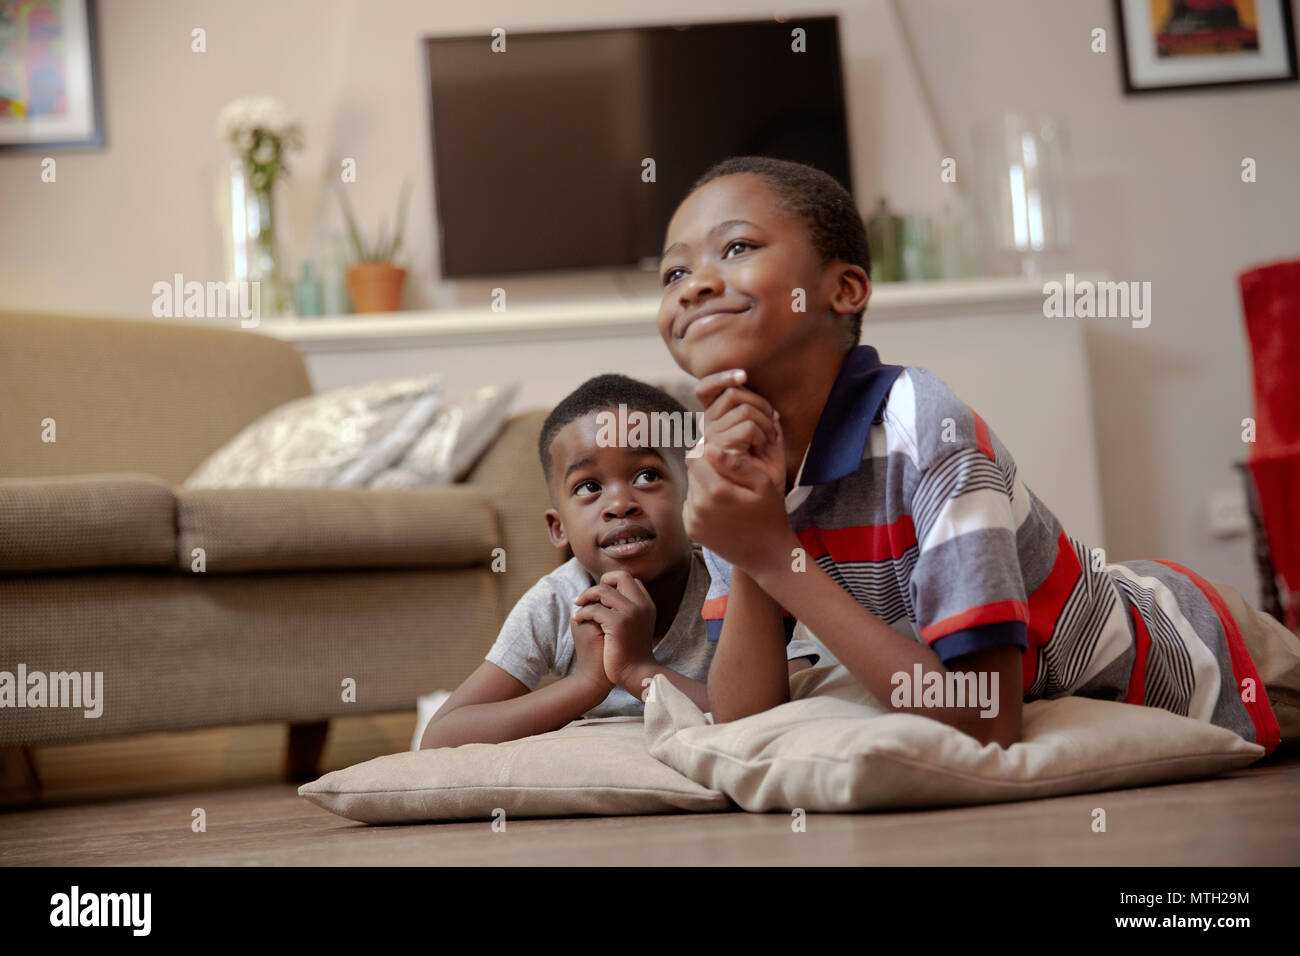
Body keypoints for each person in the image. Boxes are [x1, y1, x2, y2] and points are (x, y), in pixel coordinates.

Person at [656, 155, 1300, 752]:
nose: (693, 286)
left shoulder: (924, 426)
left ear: (845, 289)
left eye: (737, 247)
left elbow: (985, 716)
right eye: (675, 272)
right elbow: (743, 719)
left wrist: (773, 550)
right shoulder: (725, 466)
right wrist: (751, 549)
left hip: (1214, 659)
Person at [420, 373, 820, 749]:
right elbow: (440, 737)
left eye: (647, 476)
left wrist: (637, 671)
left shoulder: (739, 582)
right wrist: (589, 681)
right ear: (558, 528)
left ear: (696, 495)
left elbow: (787, 714)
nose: (619, 504)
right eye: (589, 487)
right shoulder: (559, 603)